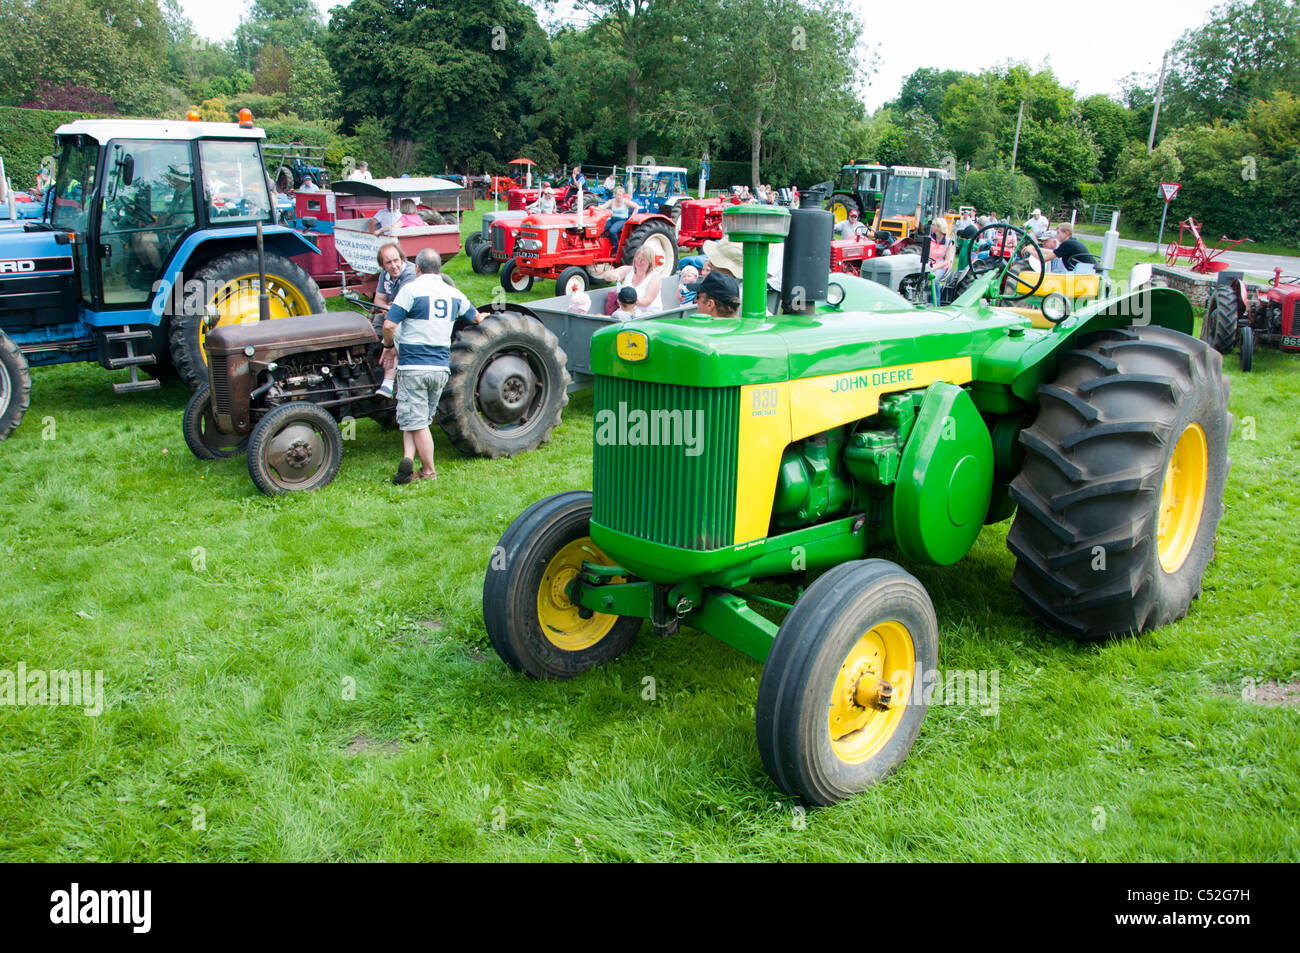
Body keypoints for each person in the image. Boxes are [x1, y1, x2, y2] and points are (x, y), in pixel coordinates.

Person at [382, 249, 482, 484]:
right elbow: (475, 316)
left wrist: (388, 346)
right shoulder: (453, 293)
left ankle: (428, 471)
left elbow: (388, 325)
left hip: (414, 367)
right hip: (439, 369)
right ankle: (408, 460)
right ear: (439, 268)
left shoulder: (410, 290)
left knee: (417, 421)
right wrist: (483, 319)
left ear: (417, 268)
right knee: (415, 419)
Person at [372, 242, 417, 398]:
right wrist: (386, 309)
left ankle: (388, 383)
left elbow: (402, 306)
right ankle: (371, 366)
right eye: (388, 262)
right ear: (382, 265)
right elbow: (378, 300)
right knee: (373, 326)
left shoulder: (410, 274)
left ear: (402, 259)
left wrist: (388, 310)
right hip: (391, 313)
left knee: (394, 332)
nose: (394, 266)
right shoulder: (385, 274)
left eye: (396, 260)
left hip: (412, 316)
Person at [607, 245, 662, 309]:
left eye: (643, 260)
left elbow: (647, 301)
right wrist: (612, 275)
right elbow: (607, 275)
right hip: (627, 312)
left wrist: (625, 301)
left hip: (647, 314)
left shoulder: (655, 277)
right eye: (638, 258)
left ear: (649, 262)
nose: (639, 262)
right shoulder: (629, 270)